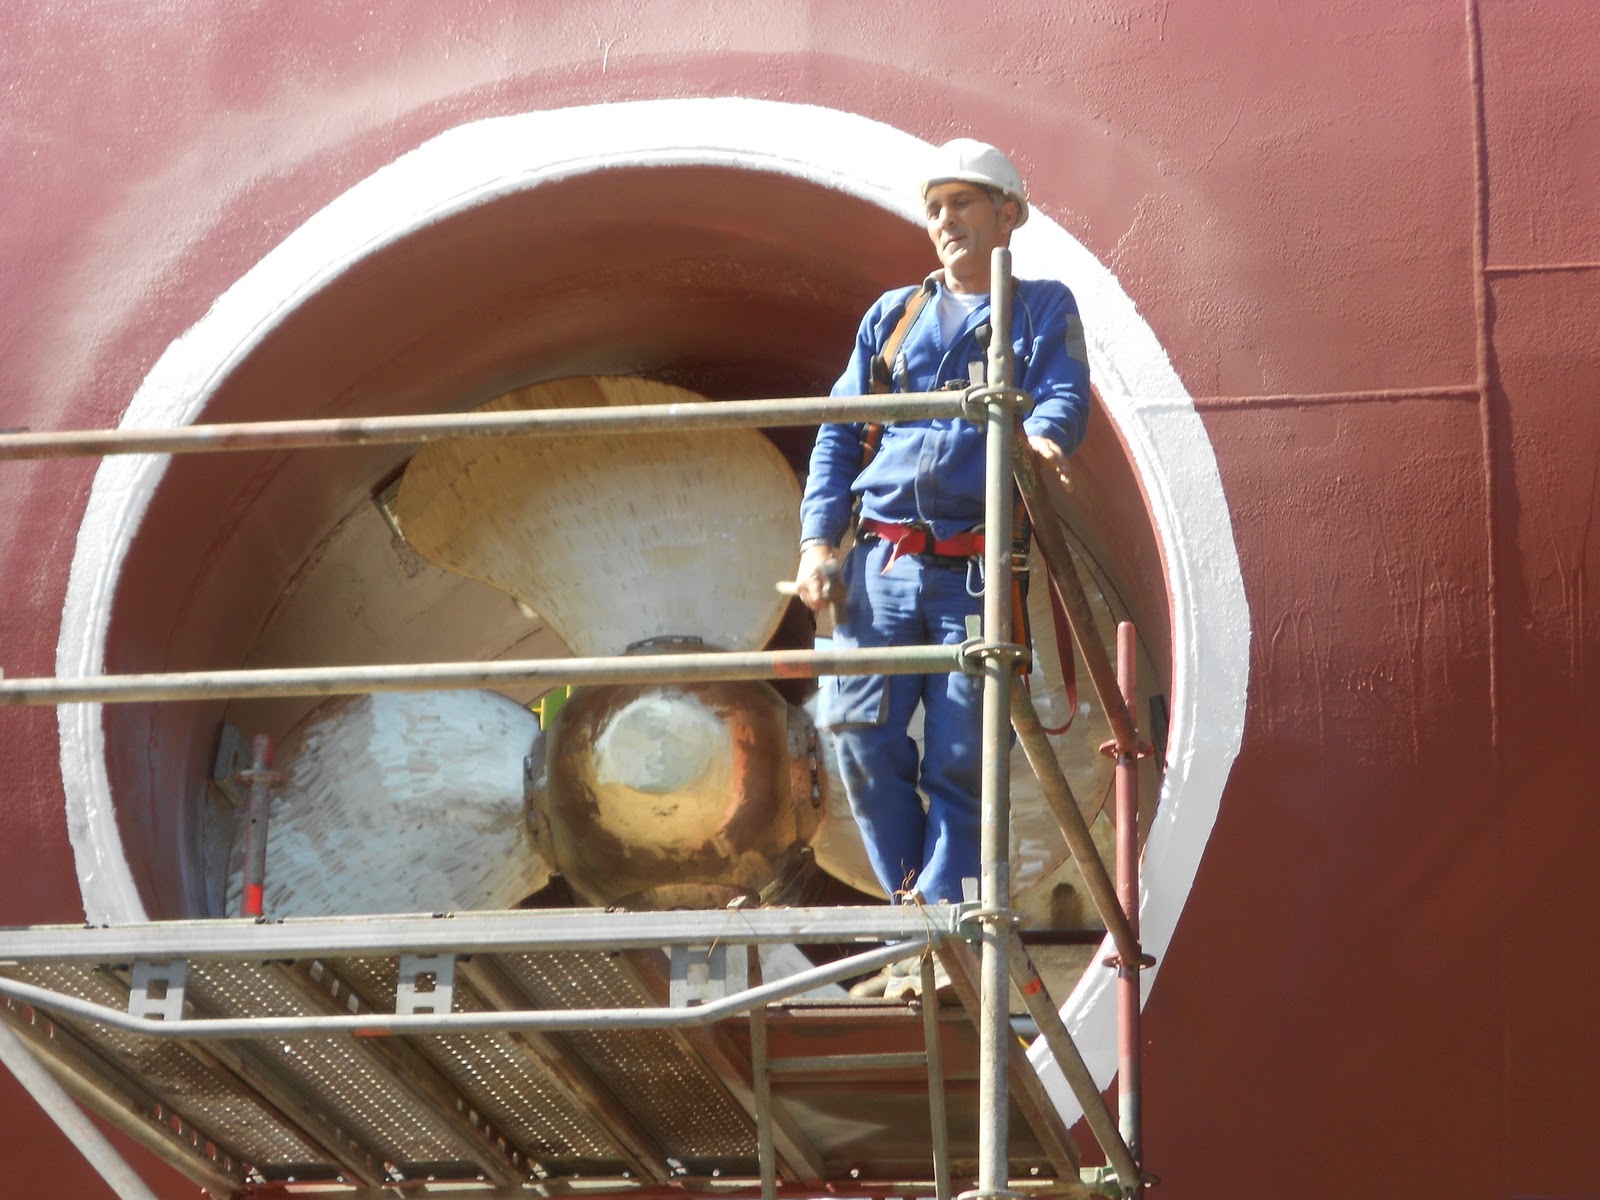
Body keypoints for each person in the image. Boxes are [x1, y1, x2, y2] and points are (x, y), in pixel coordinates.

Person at [794, 138, 1090, 997]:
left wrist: (1044, 437)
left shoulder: (1038, 307)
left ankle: (945, 928)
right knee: (857, 734)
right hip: (880, 560)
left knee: (965, 757)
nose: (946, 221)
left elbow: (1064, 390)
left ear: (1010, 215)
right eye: (935, 208)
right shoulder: (893, 316)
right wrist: (819, 542)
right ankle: (915, 911)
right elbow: (840, 432)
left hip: (970, 567)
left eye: (964, 204)